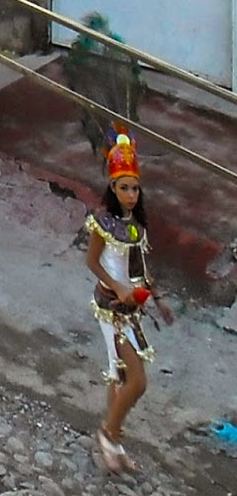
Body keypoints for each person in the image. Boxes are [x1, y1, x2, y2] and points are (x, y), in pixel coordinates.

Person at [88, 129, 174, 475]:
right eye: (124, 187)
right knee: (137, 381)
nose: (131, 194)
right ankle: (108, 434)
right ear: (113, 188)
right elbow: (92, 263)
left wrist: (159, 298)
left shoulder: (137, 226)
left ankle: (115, 445)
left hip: (132, 308)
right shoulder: (103, 224)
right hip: (111, 310)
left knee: (119, 376)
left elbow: (140, 269)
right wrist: (116, 287)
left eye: (135, 188)